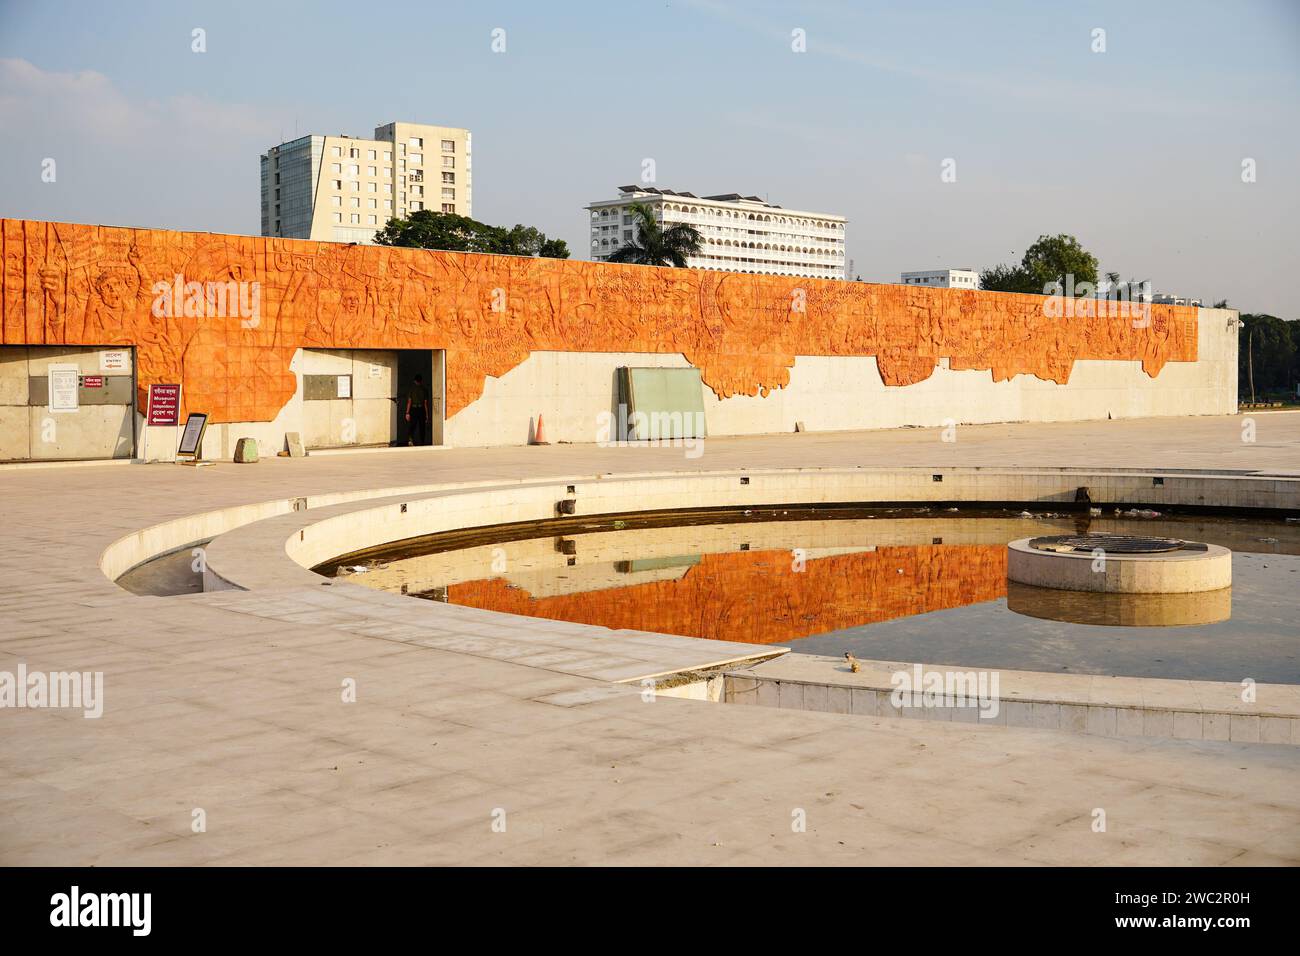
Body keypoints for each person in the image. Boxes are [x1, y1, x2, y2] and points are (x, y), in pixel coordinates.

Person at [405, 374, 430, 446]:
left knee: (412, 425)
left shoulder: (411, 389)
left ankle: (410, 440)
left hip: (413, 409)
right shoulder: (424, 390)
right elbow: (425, 404)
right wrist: (427, 415)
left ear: (414, 380)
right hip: (421, 409)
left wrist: (407, 413)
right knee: (422, 426)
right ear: (421, 381)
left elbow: (409, 402)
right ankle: (422, 441)